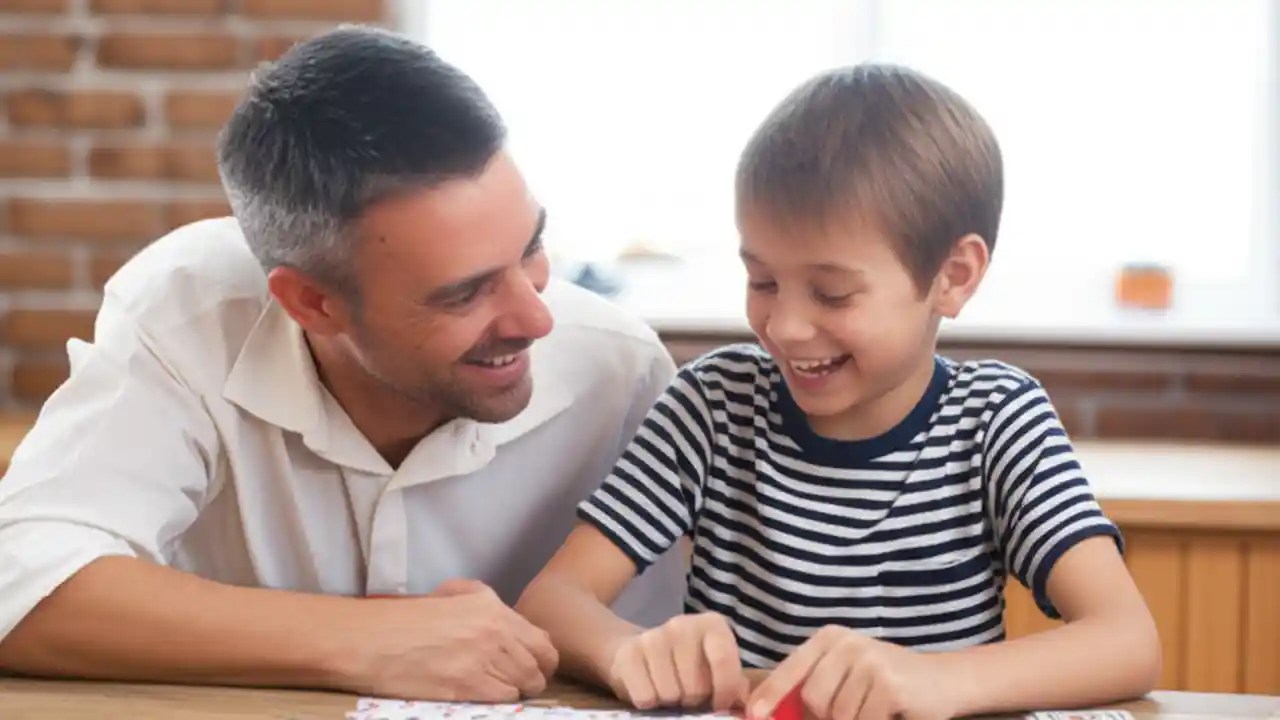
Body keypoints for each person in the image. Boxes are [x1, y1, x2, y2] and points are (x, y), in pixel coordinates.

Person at [0, 26, 685, 701]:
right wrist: (366, 639)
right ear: (312, 304)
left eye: (532, 248)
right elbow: (20, 580)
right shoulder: (188, 314)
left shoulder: (619, 372)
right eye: (464, 293)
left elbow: (655, 662)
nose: (536, 318)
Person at [516, 64, 1161, 720]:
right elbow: (550, 602)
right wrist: (630, 650)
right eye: (762, 281)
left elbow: (1127, 641)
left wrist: (937, 681)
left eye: (832, 293)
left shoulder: (998, 419)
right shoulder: (711, 406)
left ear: (953, 276)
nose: (786, 327)